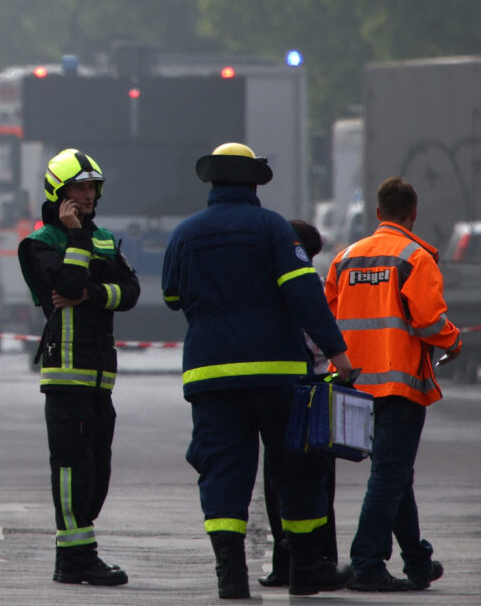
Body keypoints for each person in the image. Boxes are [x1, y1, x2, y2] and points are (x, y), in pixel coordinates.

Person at [161, 142, 354, 599]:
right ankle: (307, 570)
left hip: (210, 376)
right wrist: (338, 353)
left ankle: (231, 576)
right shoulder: (273, 229)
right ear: (252, 183)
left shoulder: (185, 234)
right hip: (276, 374)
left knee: (222, 472)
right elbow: (305, 294)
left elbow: (172, 297)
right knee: (295, 470)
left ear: (213, 182)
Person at [324, 176, 462, 591]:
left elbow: (327, 316)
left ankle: (418, 562)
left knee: (395, 474)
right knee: (390, 474)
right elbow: (428, 321)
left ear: (378, 214)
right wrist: (454, 341)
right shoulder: (415, 257)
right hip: (399, 387)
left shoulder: (345, 258)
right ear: (413, 213)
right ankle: (366, 563)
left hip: (352, 386)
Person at [17, 149, 140, 586]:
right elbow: (65, 283)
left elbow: (129, 292)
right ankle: (74, 558)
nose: (88, 194)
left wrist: (90, 294)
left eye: (92, 187)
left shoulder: (104, 237)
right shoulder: (39, 243)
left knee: (98, 468)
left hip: (100, 375)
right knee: (72, 466)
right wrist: (76, 239)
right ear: (59, 192)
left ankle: (79, 550)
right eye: (79, 187)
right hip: (65, 372)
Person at [259, 219, 338, 588]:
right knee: (316, 479)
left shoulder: (264, 284)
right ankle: (320, 559)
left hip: (276, 387)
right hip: (314, 387)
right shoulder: (312, 285)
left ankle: (282, 562)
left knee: (276, 478)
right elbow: (321, 339)